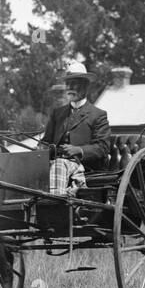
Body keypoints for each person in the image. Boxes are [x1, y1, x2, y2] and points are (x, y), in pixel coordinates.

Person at [42, 62, 112, 195]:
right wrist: (43, 149)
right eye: (68, 83)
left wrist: (78, 150)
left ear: (85, 86)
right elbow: (46, 141)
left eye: (74, 84)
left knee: (59, 165)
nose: (70, 87)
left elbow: (102, 147)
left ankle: (55, 207)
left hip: (84, 166)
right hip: (56, 163)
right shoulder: (58, 113)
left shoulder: (98, 115)